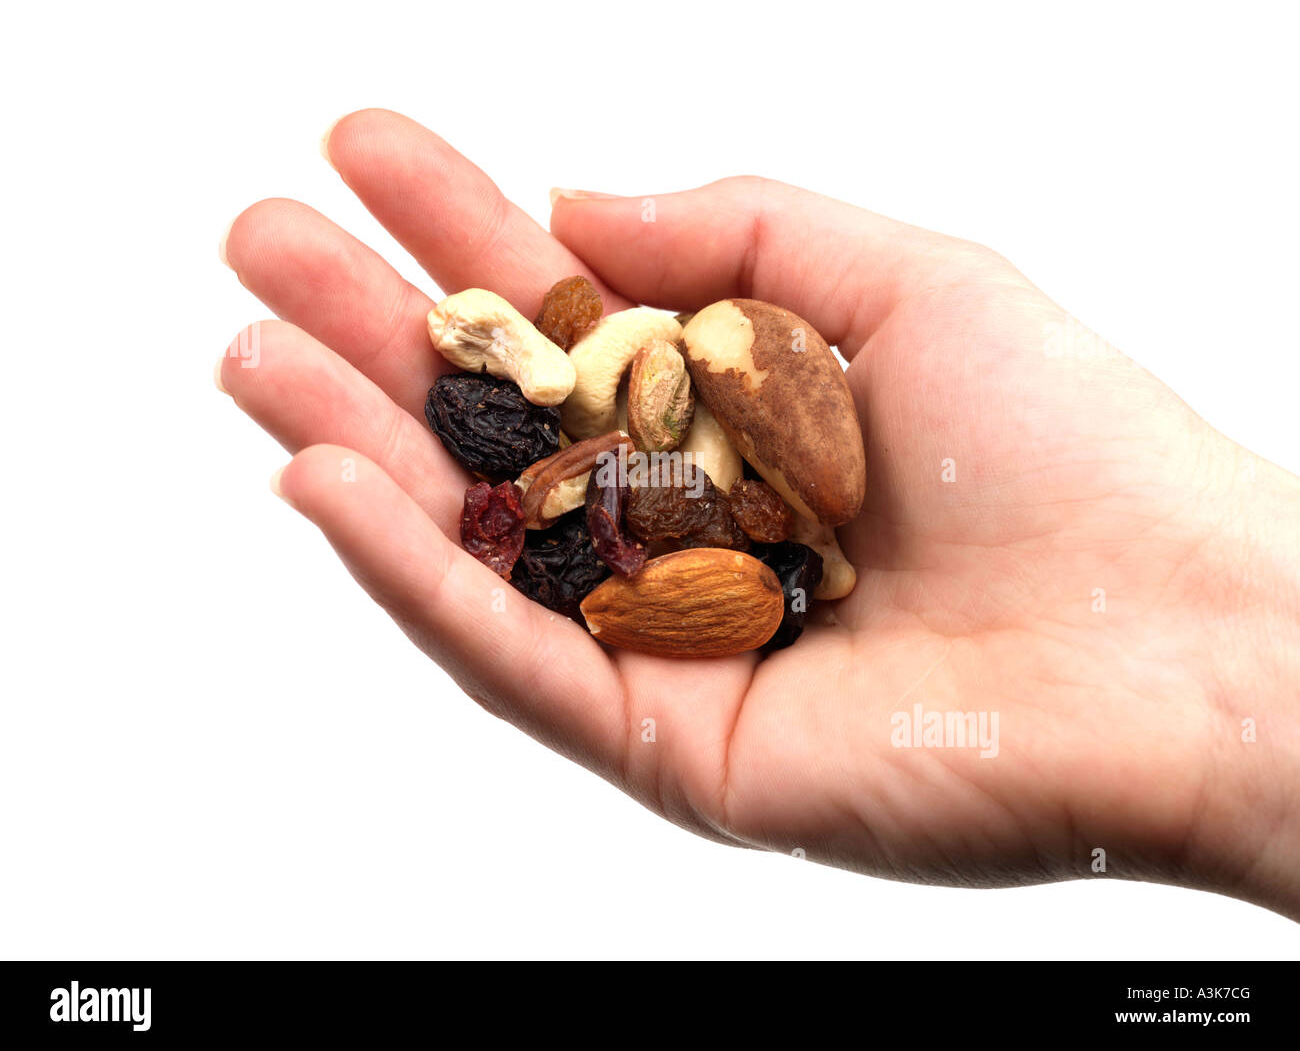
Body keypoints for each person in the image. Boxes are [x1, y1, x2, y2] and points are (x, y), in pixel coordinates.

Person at [217, 109, 1300, 920]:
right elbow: (568, 404)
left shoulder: (740, 482)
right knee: (563, 414)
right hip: (639, 502)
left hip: (679, 517)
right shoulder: (636, 433)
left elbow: (599, 416)